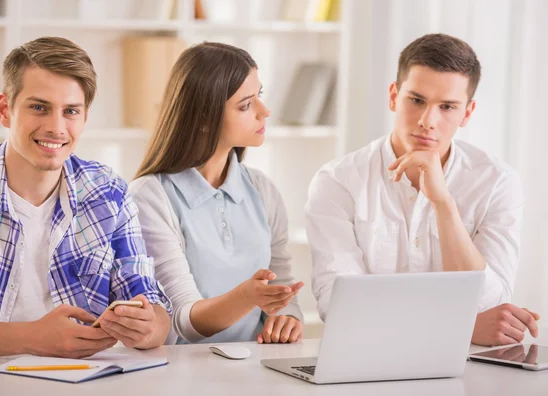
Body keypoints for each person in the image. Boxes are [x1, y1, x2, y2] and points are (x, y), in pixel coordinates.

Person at [305, 33, 540, 347]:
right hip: (368, 361)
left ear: (466, 113)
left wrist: (443, 204)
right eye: (416, 100)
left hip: (472, 369)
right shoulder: (337, 181)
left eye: (447, 107)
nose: (428, 121)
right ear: (393, 96)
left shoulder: (496, 182)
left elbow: (490, 305)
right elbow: (340, 308)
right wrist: (461, 328)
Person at [0, 37, 171, 358]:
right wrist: (29, 338)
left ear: (84, 118)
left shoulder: (109, 192)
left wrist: (149, 327)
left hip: (83, 383)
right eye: (39, 107)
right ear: (4, 110)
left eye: (70, 111)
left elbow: (154, 309)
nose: (56, 127)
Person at [129, 42, 304, 345]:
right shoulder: (149, 197)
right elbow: (182, 319)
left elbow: (284, 285)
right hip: (181, 375)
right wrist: (247, 297)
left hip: (254, 369)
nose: (265, 112)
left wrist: (286, 319)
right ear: (204, 120)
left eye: (258, 96)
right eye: (245, 105)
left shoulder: (263, 191)